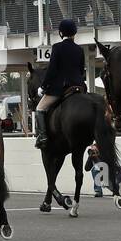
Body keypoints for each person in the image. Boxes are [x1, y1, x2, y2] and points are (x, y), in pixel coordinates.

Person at [32, 18, 86, 149]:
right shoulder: (79, 49)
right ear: (75, 33)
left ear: (61, 33)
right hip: (78, 87)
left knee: (39, 108)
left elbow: (52, 70)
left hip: (61, 88)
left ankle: (43, 137)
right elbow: (81, 70)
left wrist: (43, 87)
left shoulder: (57, 47)